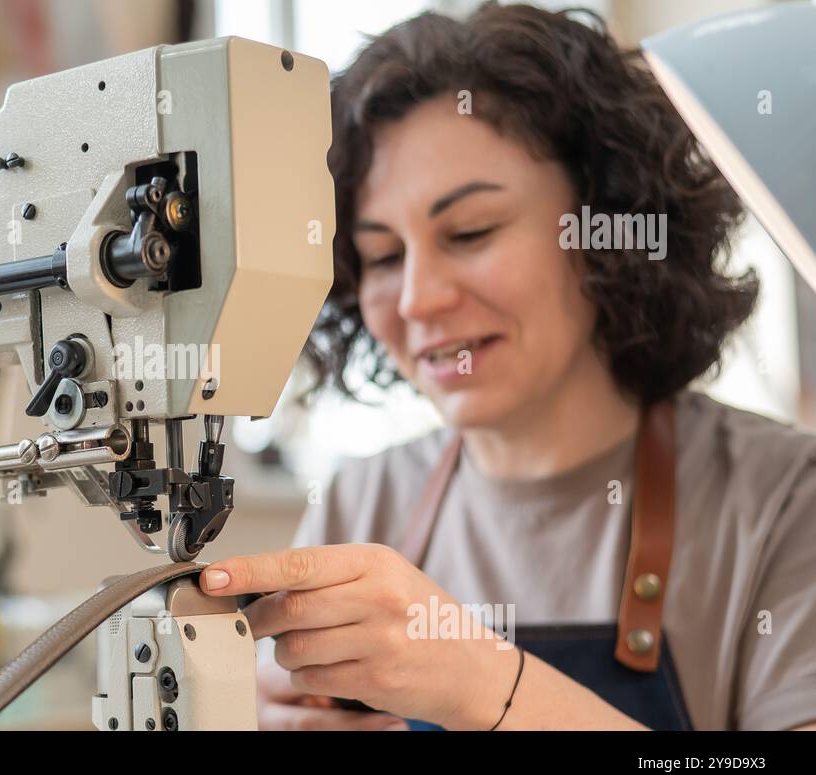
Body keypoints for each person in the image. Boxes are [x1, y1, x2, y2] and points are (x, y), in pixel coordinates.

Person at [200, 3, 816, 731]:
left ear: (605, 232)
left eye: (470, 232)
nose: (420, 298)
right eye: (384, 256)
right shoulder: (358, 504)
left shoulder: (784, 502)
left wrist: (488, 688)